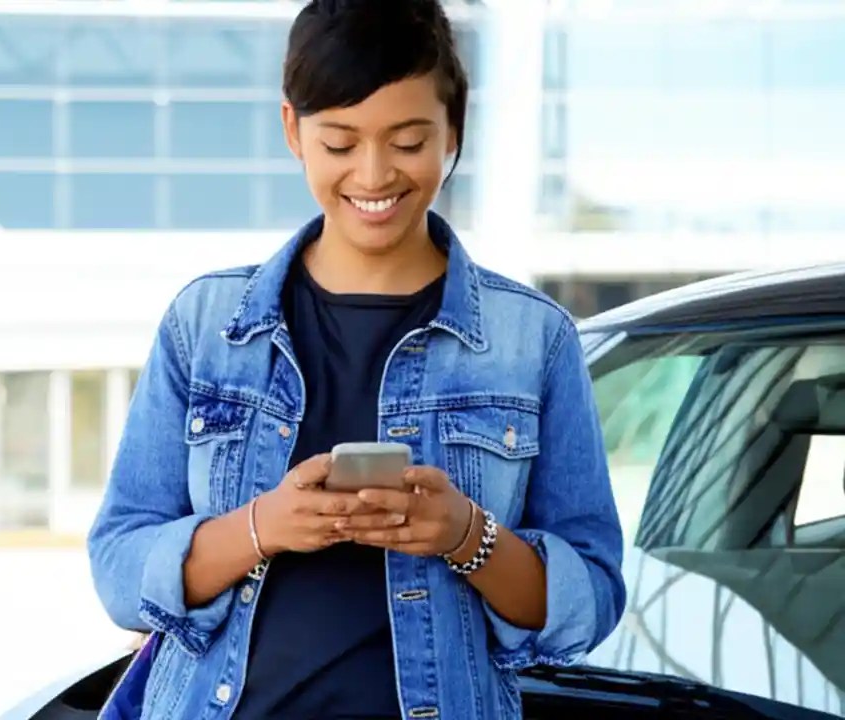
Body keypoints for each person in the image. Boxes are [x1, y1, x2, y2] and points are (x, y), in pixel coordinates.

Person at [87, 1, 626, 718]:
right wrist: (262, 527)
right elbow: (119, 571)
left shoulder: (533, 340)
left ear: (454, 132)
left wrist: (467, 536)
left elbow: (592, 603)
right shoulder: (206, 324)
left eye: (408, 141)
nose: (373, 175)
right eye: (340, 143)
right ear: (293, 130)